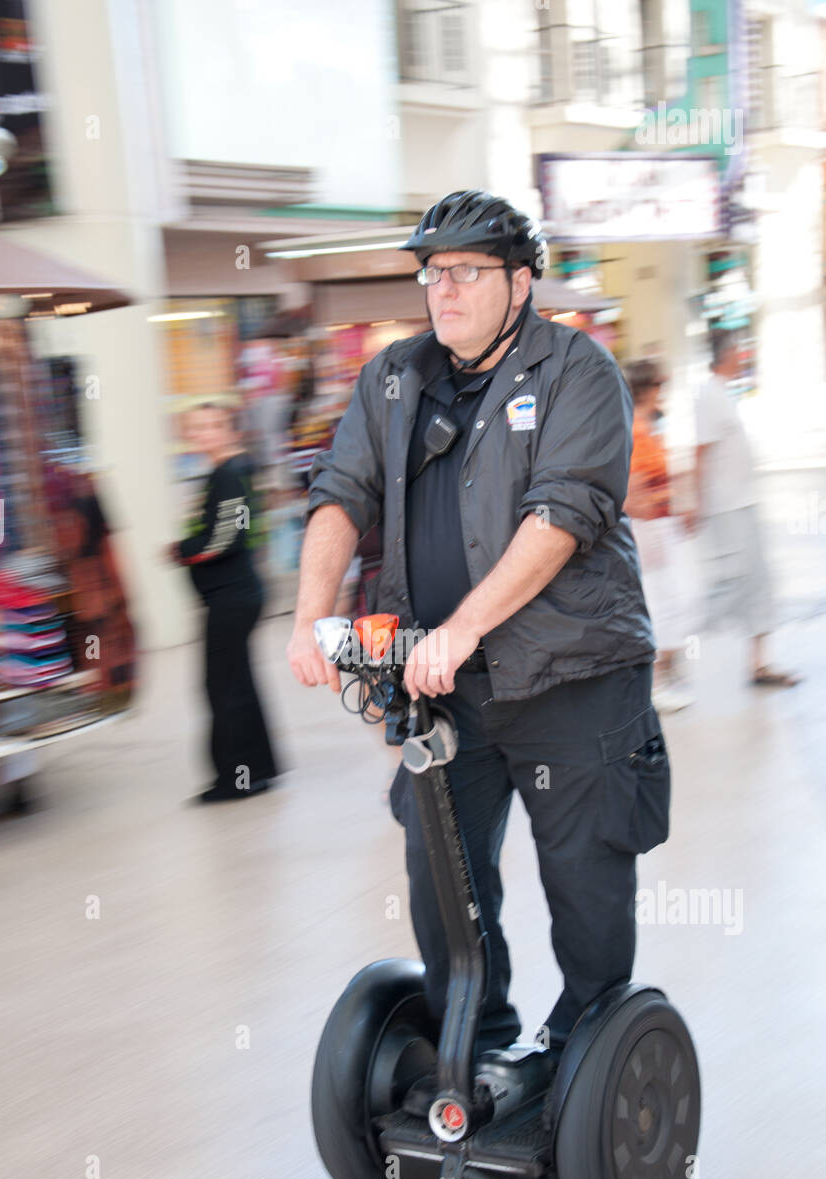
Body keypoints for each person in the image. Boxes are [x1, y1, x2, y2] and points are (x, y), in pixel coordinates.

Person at [287, 189, 668, 1079]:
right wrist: (310, 617)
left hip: (574, 679)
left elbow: (561, 518)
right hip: (444, 692)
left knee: (584, 882)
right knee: (442, 879)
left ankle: (585, 1066)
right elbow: (341, 494)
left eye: (465, 271)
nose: (442, 288)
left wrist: (459, 628)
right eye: (430, 271)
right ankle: (480, 1045)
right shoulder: (392, 379)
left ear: (520, 281)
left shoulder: (579, 373)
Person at [168, 403, 278, 802]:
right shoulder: (235, 470)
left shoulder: (230, 474)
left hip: (232, 598)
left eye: (212, 426)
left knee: (224, 688)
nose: (202, 434)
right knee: (238, 684)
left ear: (230, 429)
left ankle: (239, 778)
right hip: (237, 595)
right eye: (195, 427)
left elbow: (226, 537)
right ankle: (258, 771)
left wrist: (181, 550)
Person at [693, 330, 800, 687]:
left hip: (743, 503)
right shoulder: (709, 394)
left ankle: (759, 664)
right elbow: (701, 453)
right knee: (729, 584)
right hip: (727, 508)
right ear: (726, 354)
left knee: (757, 580)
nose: (743, 357)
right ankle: (678, 646)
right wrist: (697, 503)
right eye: (739, 351)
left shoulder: (724, 393)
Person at [623, 358, 698, 713]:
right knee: (662, 603)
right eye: (659, 386)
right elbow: (632, 487)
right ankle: (657, 683)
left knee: (670, 600)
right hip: (650, 526)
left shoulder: (647, 426)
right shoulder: (637, 430)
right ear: (649, 389)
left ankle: (663, 677)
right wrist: (649, 526)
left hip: (658, 524)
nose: (662, 392)